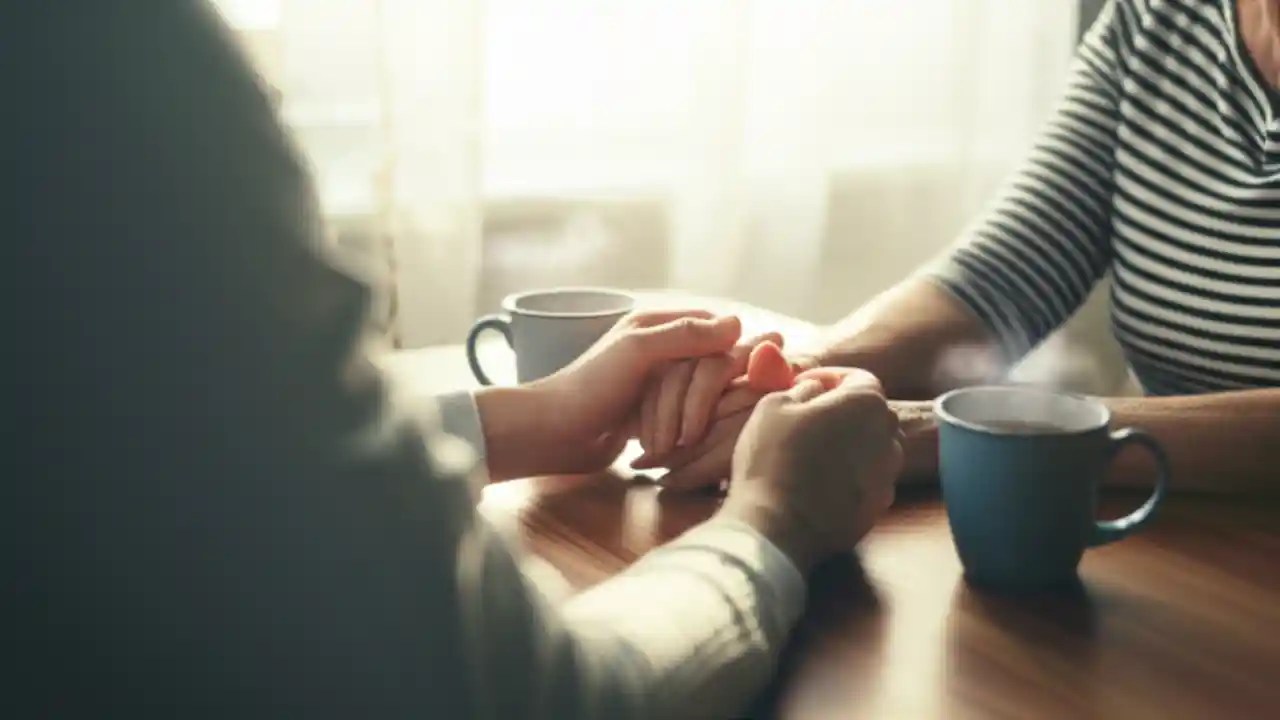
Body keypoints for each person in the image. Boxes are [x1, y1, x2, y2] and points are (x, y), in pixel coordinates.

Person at [11, 3, 903, 717]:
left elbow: (177, 446)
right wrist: (775, 518)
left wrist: (537, 419)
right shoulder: (110, 68)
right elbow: (543, 700)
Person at [637, 0, 1280, 494]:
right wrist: (797, 381)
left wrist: (939, 435)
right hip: (1181, 555)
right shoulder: (1159, 20)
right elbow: (994, 283)